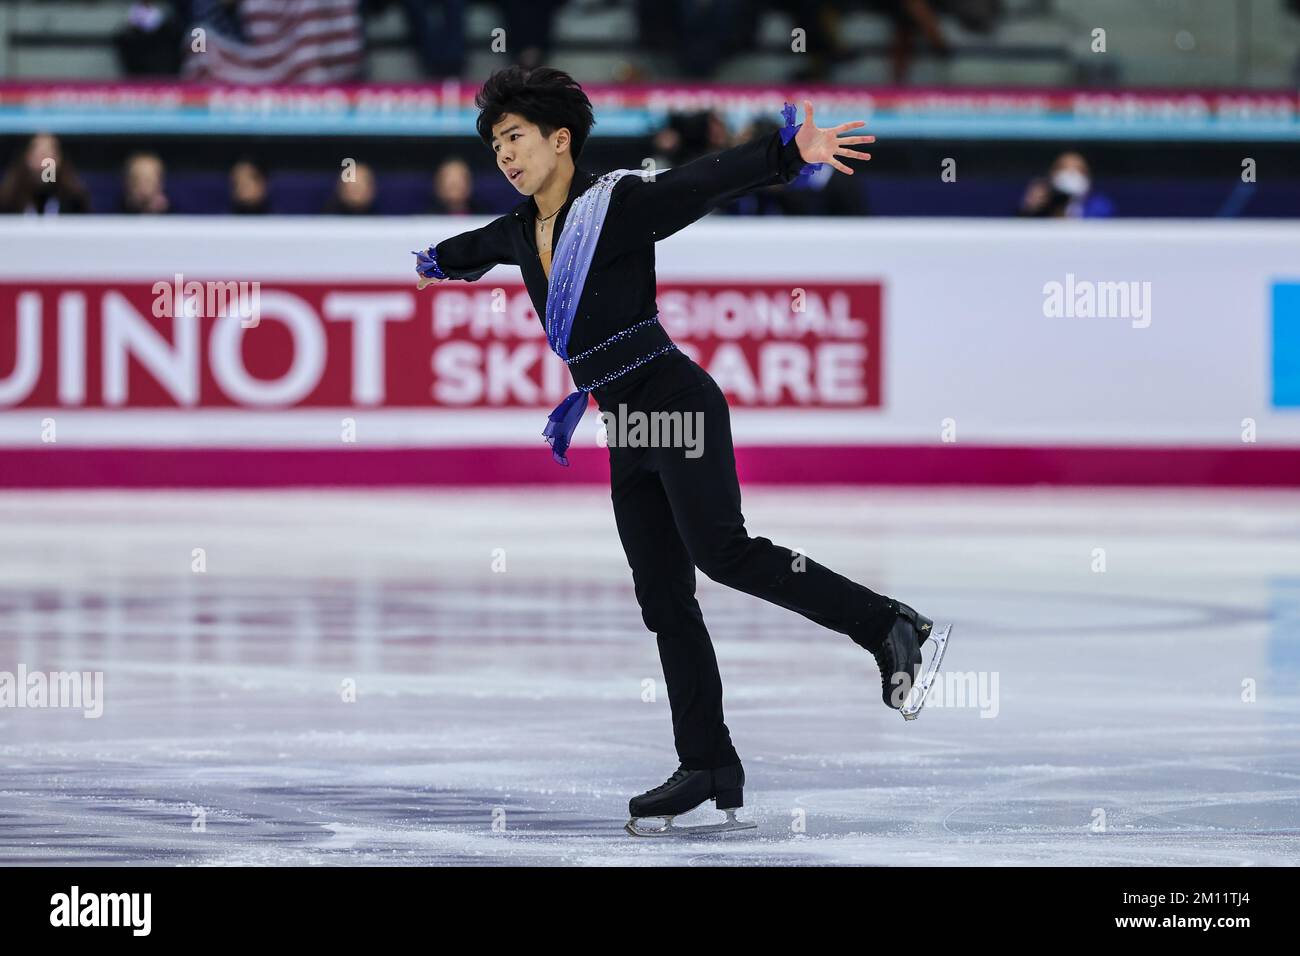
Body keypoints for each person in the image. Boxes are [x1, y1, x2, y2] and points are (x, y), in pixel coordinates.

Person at [413, 66, 950, 835]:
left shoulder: (616, 208)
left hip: (674, 401)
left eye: (515, 137)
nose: (503, 153)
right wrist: (436, 261)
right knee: (663, 597)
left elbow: (698, 184)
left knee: (722, 552)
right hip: (626, 425)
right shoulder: (522, 225)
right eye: (495, 142)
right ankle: (707, 761)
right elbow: (479, 247)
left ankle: (885, 623)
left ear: (560, 140)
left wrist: (785, 152)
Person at [0, 133, 91, 215]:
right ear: (27, 157)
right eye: (38, 154)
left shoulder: (74, 198)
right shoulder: (9, 197)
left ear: (59, 158)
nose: (43, 161)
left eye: (48, 154)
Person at [1019, 151, 1115, 219]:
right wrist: (1029, 211)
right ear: (1052, 174)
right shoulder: (1040, 202)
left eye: (1078, 170)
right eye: (1064, 169)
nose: (1071, 174)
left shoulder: (1100, 205)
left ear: (1087, 177)